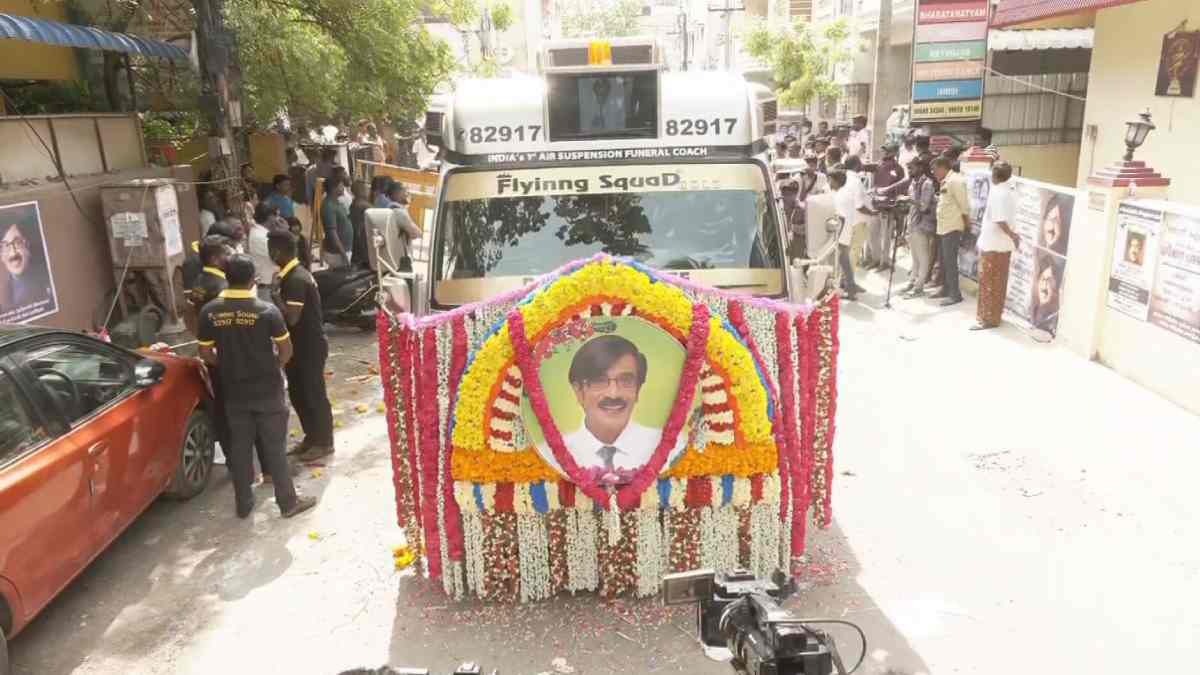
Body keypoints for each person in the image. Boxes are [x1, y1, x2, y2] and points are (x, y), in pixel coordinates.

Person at [197, 254, 317, 519]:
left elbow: (205, 353)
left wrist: (228, 365)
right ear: (253, 279)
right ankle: (287, 503)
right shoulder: (267, 311)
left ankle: (244, 503)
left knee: (240, 447)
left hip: (234, 391)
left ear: (227, 277)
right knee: (275, 446)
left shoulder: (210, 312)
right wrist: (272, 365)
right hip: (267, 389)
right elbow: (286, 350)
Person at [269, 231, 336, 462]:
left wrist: (275, 296)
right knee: (298, 393)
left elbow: (293, 318)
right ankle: (312, 436)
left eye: (271, 247)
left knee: (313, 394)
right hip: (297, 347)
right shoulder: (290, 275)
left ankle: (324, 441)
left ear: (277, 251)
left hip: (309, 346)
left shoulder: (297, 279)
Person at [563, 335, 660, 473]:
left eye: (626, 380)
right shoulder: (550, 456)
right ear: (578, 391)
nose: (613, 394)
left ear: (638, 389)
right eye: (599, 380)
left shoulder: (670, 449)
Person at [973, 161, 1020, 330]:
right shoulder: (1009, 191)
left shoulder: (999, 193)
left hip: (994, 244)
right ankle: (994, 316)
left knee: (989, 282)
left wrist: (1013, 235)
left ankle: (987, 318)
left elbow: (1000, 220)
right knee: (998, 282)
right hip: (999, 244)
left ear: (995, 175)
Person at [830, 169, 873, 301]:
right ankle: (851, 287)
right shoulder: (842, 193)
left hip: (842, 231)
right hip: (845, 230)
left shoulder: (840, 195)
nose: (829, 183)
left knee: (843, 261)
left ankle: (849, 288)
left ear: (837, 181)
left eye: (830, 180)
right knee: (844, 261)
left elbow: (841, 216)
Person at [931, 156, 968, 306]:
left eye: (934, 170)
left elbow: (964, 205)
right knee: (944, 261)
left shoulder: (956, 181)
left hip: (952, 227)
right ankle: (946, 289)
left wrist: (966, 225)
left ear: (942, 167)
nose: (934, 173)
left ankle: (955, 294)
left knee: (950, 262)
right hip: (943, 227)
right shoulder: (946, 181)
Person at [865, 143, 907, 270]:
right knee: (872, 235)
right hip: (875, 205)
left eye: (886, 151)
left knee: (886, 237)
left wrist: (896, 206)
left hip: (888, 208)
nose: (883, 153)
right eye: (883, 151)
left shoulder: (899, 169)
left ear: (893, 153)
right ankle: (875, 259)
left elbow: (901, 189)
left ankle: (884, 262)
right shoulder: (878, 165)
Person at [900, 158, 937, 298]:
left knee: (923, 258)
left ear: (920, 167)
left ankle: (919, 286)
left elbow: (923, 206)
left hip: (922, 226)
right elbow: (912, 208)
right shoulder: (913, 184)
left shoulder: (927, 184)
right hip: (912, 224)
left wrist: (909, 200)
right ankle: (912, 282)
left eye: (912, 168)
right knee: (914, 258)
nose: (909, 171)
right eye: (908, 168)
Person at [0, 218, 52, 314]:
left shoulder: (49, 282)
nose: (13, 253)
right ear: (1, 256)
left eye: (18, 242)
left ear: (28, 245)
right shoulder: (3, 296)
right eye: (5, 246)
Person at [248, 203, 281, 302]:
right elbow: (281, 257)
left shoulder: (262, 233)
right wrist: (285, 232)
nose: (279, 219)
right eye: (277, 215)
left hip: (270, 287)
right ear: (270, 217)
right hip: (266, 289)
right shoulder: (261, 237)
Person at [321, 176, 354, 268]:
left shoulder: (337, 202)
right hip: (337, 254)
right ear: (333, 188)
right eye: (341, 186)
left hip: (344, 250)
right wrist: (343, 254)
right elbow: (332, 233)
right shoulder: (328, 206)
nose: (343, 188)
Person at [1031, 255, 1063, 334]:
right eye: (1043, 279)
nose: (1044, 286)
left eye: (1049, 280)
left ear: (1056, 284)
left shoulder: (1058, 322)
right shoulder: (1031, 312)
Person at [349, 179, 372, 269]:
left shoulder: (355, 203)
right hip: (362, 245)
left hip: (357, 244)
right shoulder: (363, 205)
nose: (369, 191)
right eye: (367, 188)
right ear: (361, 191)